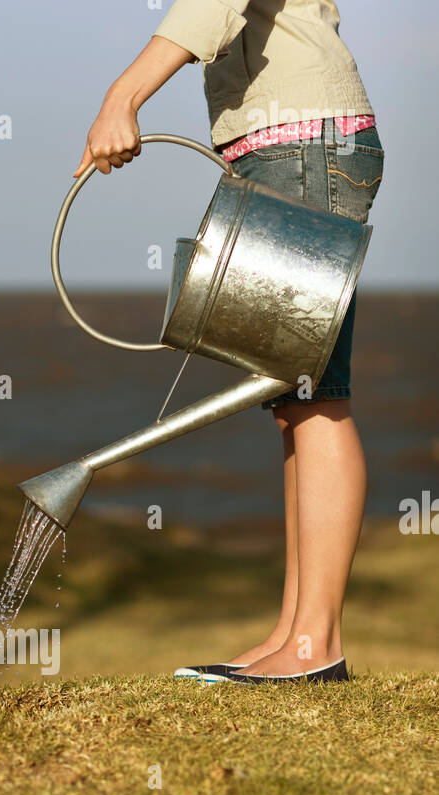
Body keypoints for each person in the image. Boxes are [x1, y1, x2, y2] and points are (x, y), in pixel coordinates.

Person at [75, 0, 384, 684]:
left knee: (315, 395)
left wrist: (119, 98)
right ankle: (295, 634)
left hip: (304, 145)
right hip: (282, 148)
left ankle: (315, 647)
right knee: (291, 400)